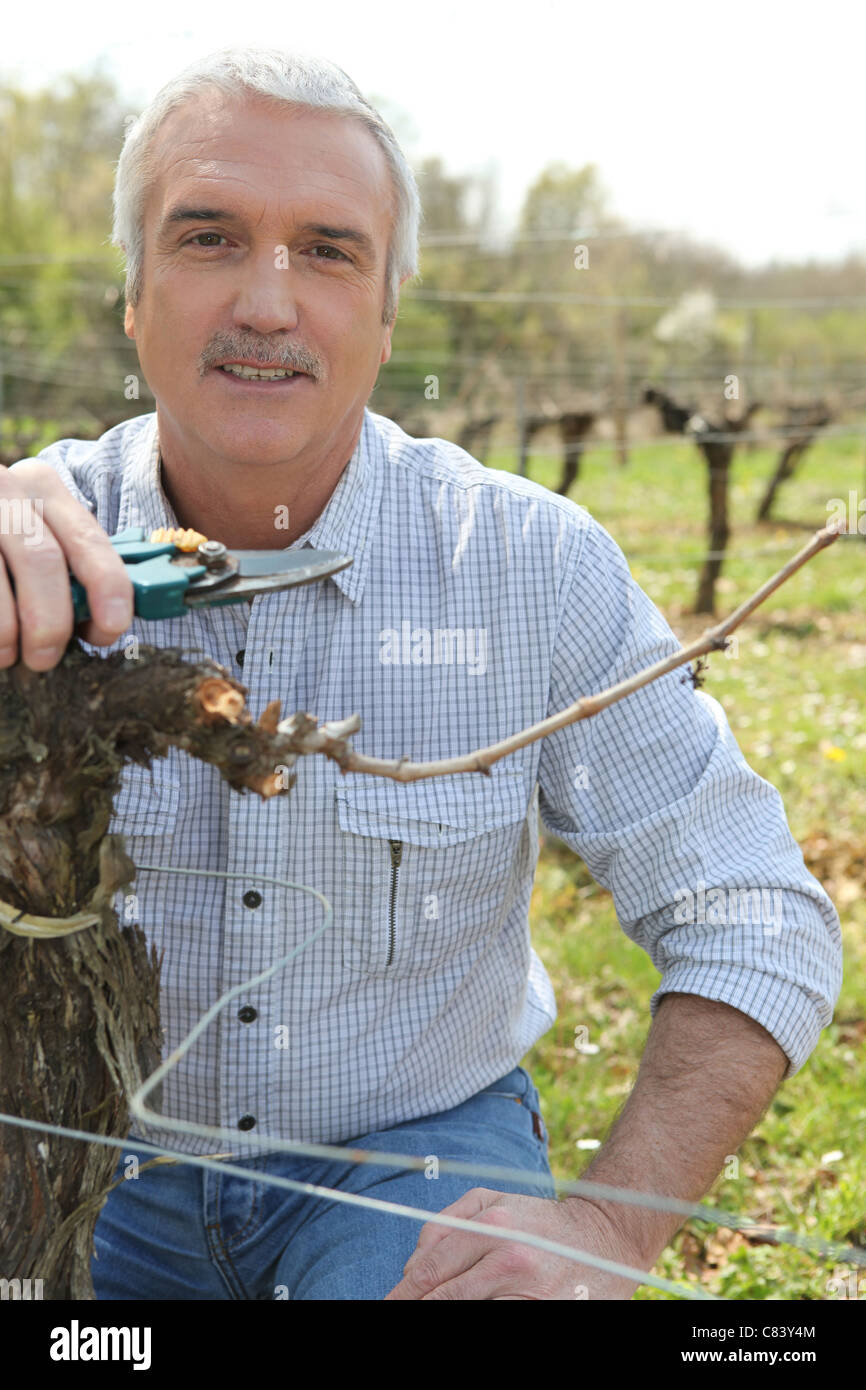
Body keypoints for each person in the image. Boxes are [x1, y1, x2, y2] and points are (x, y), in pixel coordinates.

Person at [1, 47, 841, 1301]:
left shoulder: (530, 566)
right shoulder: (28, 552)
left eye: (328, 251)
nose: (268, 303)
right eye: (210, 238)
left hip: (407, 1169)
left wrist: (608, 1233)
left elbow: (752, 913)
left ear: (388, 315)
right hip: (76, 1161)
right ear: (133, 295)